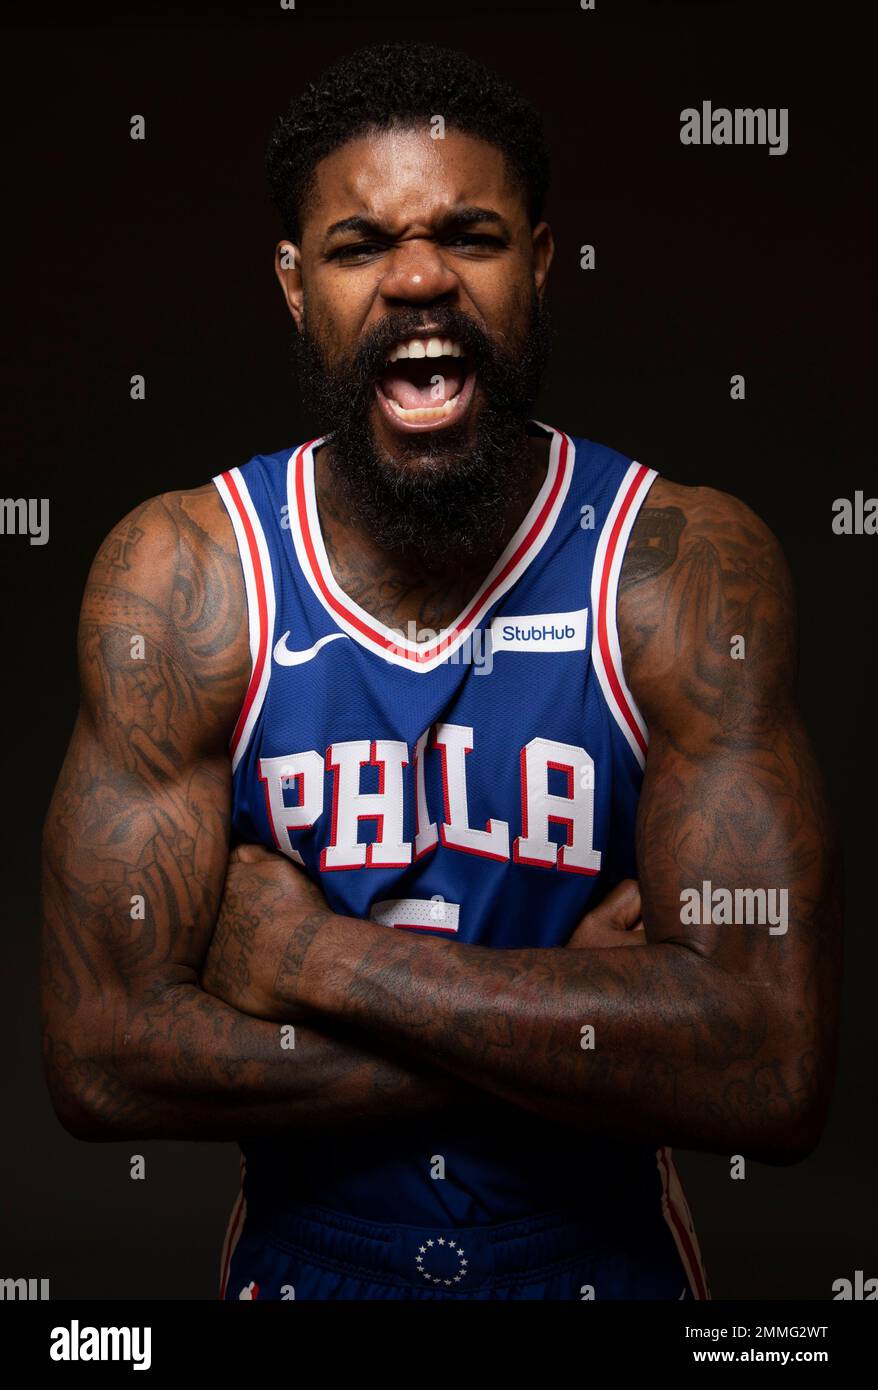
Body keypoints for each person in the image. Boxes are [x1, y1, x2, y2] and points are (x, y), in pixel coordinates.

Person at [40, 42, 841, 1301]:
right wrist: (587, 1020)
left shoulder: (674, 566)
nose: (419, 276)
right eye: (360, 246)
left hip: (598, 1267)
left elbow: (772, 1071)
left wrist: (317, 967)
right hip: (311, 1270)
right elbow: (100, 1059)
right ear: (293, 287)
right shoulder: (186, 574)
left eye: (468, 234)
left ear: (539, 261)